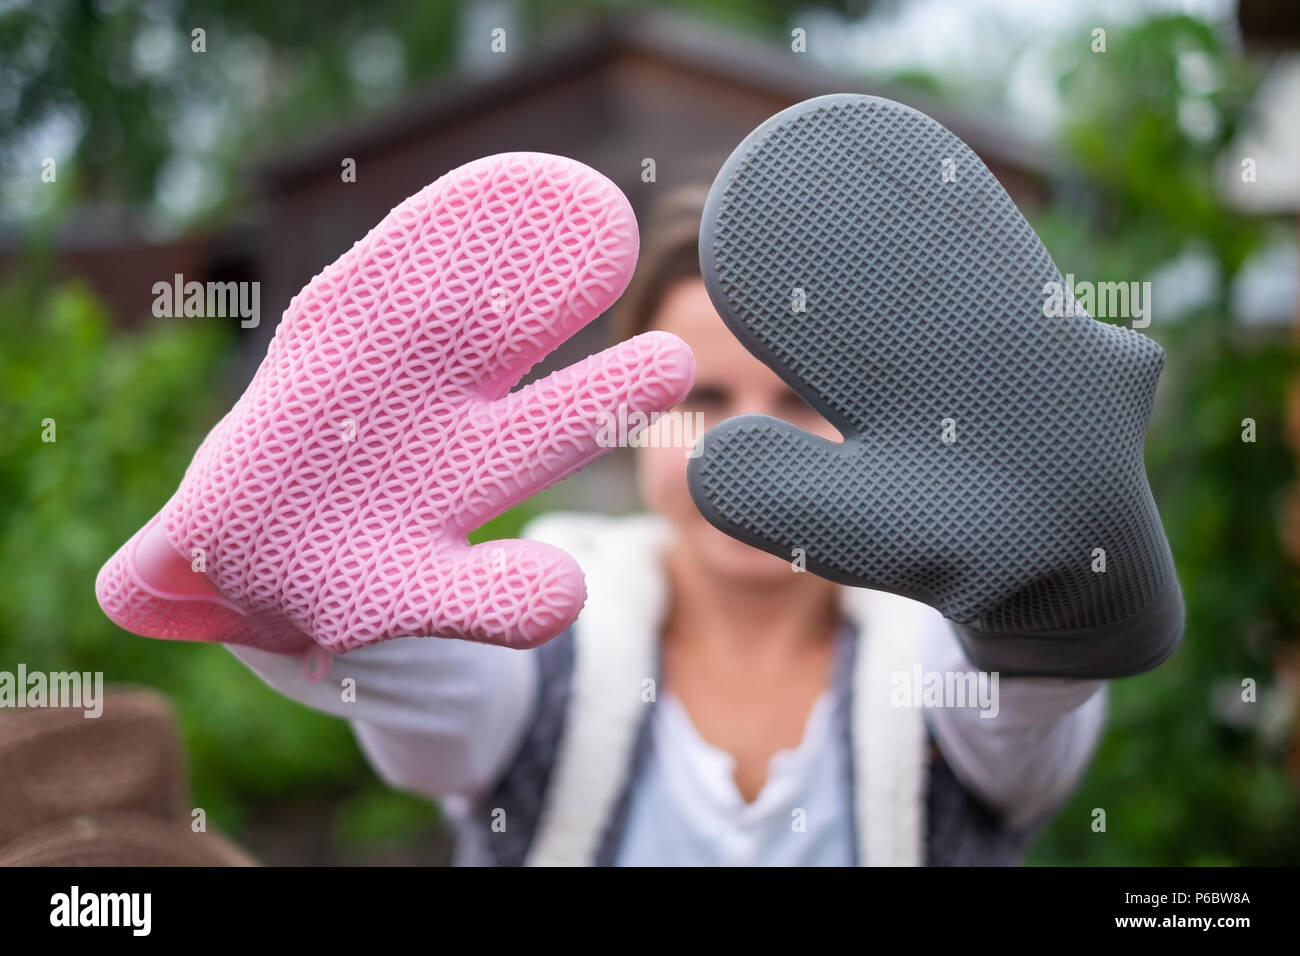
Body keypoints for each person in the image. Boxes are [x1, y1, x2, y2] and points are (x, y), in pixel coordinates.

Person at [226, 185, 1107, 866]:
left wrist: (1057, 557)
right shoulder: (538, 634)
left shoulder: (940, 653)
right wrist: (292, 559)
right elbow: (422, 685)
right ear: (632, 413)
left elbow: (1028, 696)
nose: (746, 450)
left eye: (800, 399)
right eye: (705, 399)